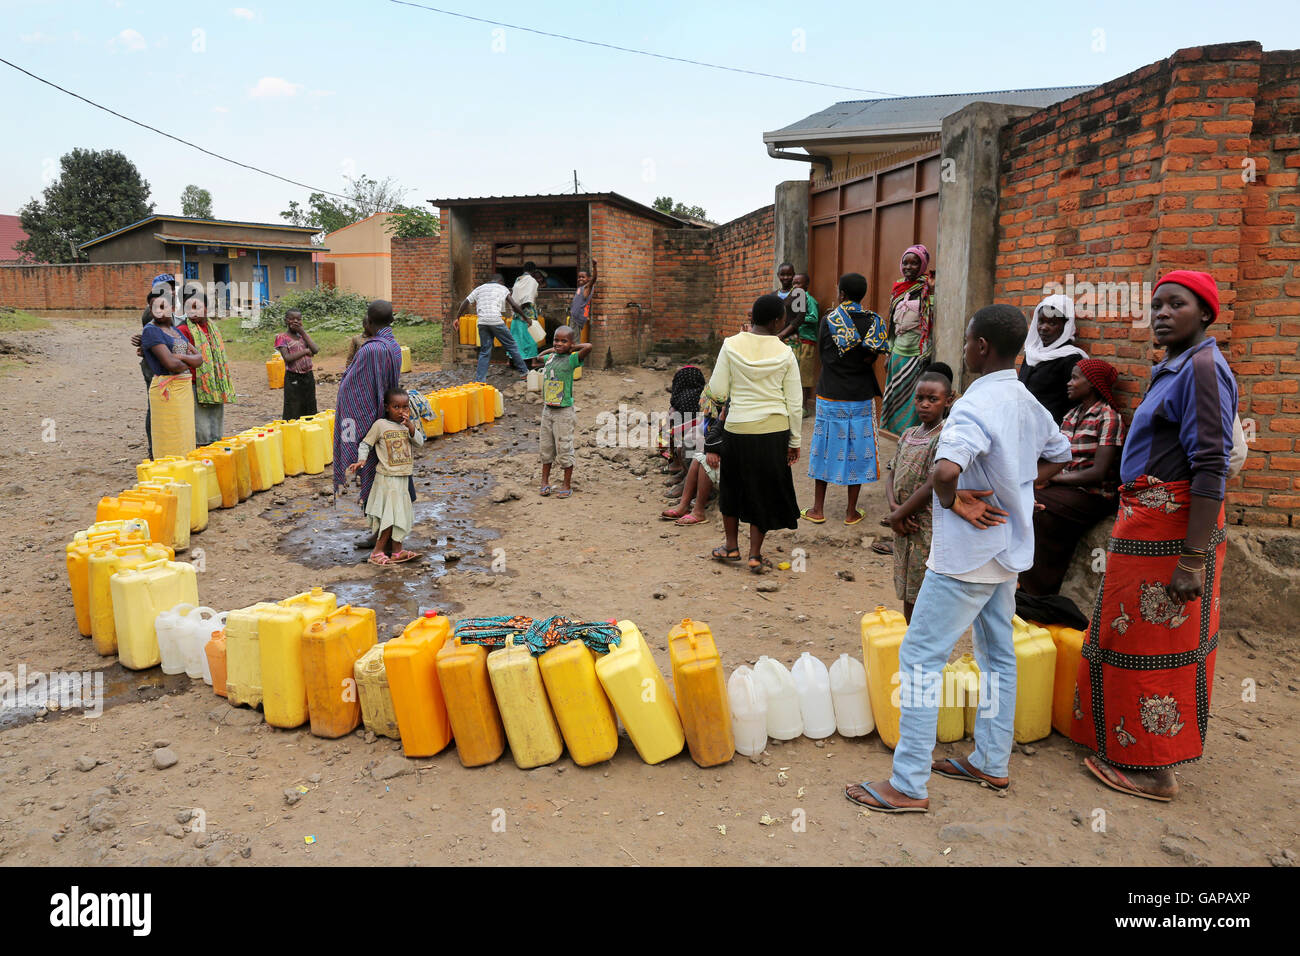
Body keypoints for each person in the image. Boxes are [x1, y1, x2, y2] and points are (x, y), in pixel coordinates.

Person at [846, 304, 1072, 813]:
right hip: (1007, 554)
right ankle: (991, 762)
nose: (965, 347)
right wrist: (1018, 489)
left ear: (981, 348)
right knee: (997, 656)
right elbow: (1060, 454)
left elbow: (945, 473)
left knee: (920, 659)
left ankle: (907, 785)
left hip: (966, 558)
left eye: (968, 340)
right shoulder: (1027, 401)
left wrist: (956, 499)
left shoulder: (971, 406)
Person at [1072, 270, 1237, 803]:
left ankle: (1153, 770)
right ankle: (1121, 743)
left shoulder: (1204, 370)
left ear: (1206, 314)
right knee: (1128, 636)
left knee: (1157, 647)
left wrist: (1191, 560)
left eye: (1176, 304)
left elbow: (1211, 464)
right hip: (1147, 523)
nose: (1162, 313)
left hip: (1173, 532)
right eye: (1157, 304)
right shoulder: (1174, 366)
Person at [703, 293, 802, 573]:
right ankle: (755, 555)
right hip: (774, 430)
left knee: (733, 487)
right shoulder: (785, 352)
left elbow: (719, 391)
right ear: (775, 322)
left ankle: (730, 546)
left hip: (738, 428)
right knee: (764, 490)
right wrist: (794, 441)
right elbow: (794, 402)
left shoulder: (731, 345)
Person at [1019, 358, 1126, 596]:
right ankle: (1020, 578)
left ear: (1093, 384)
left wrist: (1051, 479)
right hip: (1066, 490)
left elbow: (1098, 473)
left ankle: (1037, 590)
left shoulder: (1108, 418)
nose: (1069, 383)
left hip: (1095, 495)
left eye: (1075, 378)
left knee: (1039, 508)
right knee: (1024, 499)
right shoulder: (1071, 415)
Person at [801, 272, 888, 525]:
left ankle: (818, 509)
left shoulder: (830, 319)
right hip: (860, 395)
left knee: (824, 449)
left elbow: (824, 357)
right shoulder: (874, 321)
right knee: (858, 451)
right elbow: (872, 357)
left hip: (830, 394)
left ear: (842, 294)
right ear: (863, 294)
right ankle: (851, 512)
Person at [885, 365, 955, 622]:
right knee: (906, 588)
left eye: (932, 399)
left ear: (949, 400)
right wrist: (894, 508)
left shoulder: (944, 436)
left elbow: (931, 483)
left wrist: (901, 513)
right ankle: (909, 634)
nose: (924, 405)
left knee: (924, 586)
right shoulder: (908, 434)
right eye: (920, 398)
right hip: (903, 523)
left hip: (923, 525)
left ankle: (923, 641)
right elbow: (892, 472)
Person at [334, 300, 407, 547]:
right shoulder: (393, 345)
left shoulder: (371, 349)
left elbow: (355, 386)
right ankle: (380, 534)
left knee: (379, 482)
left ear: (368, 321)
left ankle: (383, 539)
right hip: (387, 420)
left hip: (371, 422)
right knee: (382, 483)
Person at [345, 388, 424, 566]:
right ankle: (377, 551)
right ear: (387, 407)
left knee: (400, 516)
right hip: (387, 479)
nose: (401, 411)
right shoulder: (380, 425)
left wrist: (411, 427)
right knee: (390, 517)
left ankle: (397, 551)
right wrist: (361, 460)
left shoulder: (407, 426)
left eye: (405, 407)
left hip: (403, 478)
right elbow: (366, 443)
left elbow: (419, 443)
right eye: (396, 407)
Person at [140, 290, 203, 457]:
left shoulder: (175, 331)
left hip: (182, 391)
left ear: (173, 307)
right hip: (167, 391)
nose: (159, 311)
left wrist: (180, 357)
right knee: (170, 436)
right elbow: (172, 365)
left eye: (163, 306)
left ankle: (184, 471)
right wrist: (186, 360)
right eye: (155, 307)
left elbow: (199, 359)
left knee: (184, 433)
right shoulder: (151, 331)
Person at [882, 245, 936, 435]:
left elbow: (931, 318)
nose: (909, 267)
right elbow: (891, 326)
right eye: (905, 262)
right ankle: (896, 438)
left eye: (915, 263)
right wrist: (889, 352)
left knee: (913, 401)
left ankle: (909, 438)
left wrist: (931, 292)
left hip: (916, 355)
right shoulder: (897, 287)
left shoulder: (927, 287)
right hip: (898, 353)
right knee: (896, 398)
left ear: (922, 265)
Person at [534, 325, 592, 499]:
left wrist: (571, 349)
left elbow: (588, 347)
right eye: (556, 340)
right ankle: (545, 481)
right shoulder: (551, 357)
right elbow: (539, 356)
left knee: (564, 448)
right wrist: (556, 348)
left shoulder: (572, 360)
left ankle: (566, 484)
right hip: (547, 411)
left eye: (563, 341)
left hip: (563, 412)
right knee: (546, 448)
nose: (558, 343)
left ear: (572, 344)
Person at [176, 285, 234, 446]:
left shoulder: (212, 328)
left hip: (215, 382)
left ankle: (216, 446)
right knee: (200, 421)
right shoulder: (182, 330)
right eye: (189, 308)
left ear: (207, 308)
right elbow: (178, 357)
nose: (193, 312)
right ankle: (203, 448)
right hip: (195, 383)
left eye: (197, 307)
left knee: (215, 417)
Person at [1019, 293, 1087, 424]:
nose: (1044, 328)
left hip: (1050, 431)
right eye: (1041, 321)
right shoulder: (1032, 353)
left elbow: (1074, 403)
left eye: (1052, 323)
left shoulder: (1071, 359)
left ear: (1065, 326)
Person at [450, 273, 530, 381]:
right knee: (511, 346)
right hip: (496, 321)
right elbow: (514, 305)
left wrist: (457, 318)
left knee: (485, 351)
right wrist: (526, 318)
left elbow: (465, 302)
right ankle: (524, 372)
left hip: (482, 322)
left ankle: (480, 380)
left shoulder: (479, 289)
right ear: (501, 281)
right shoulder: (502, 288)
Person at [660, 403, 723, 526]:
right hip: (713, 440)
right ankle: (684, 505)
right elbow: (710, 426)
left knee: (705, 460)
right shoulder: (717, 414)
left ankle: (698, 510)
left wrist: (712, 447)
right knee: (696, 456)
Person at [778, 273, 820, 415]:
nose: (795, 286)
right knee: (792, 373)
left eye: (799, 284)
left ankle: (805, 407)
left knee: (804, 374)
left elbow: (814, 318)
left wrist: (798, 319)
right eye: (794, 284)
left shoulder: (809, 300)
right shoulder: (793, 299)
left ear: (806, 285)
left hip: (807, 340)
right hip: (794, 341)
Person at [275, 309, 320, 420]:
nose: (295, 321)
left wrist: (303, 332)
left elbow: (315, 349)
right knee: (293, 406)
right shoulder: (282, 337)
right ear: (286, 321)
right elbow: (287, 358)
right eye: (292, 319)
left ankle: (308, 431)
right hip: (293, 377)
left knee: (310, 404)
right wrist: (305, 351)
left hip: (308, 376)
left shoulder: (303, 336)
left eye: (298, 319)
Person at [510, 261, 543, 366]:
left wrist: (516, 309)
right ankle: (533, 362)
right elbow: (528, 298)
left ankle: (510, 360)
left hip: (516, 314)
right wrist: (522, 310)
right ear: (533, 271)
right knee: (531, 337)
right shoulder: (532, 281)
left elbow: (514, 295)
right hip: (527, 314)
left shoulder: (518, 279)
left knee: (515, 338)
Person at [569, 259, 598, 339]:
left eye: (583, 277)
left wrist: (594, 266)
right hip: (573, 317)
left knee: (574, 340)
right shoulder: (580, 288)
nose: (580, 279)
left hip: (578, 319)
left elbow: (594, 279)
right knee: (571, 339)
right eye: (579, 277)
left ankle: (576, 351)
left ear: (588, 279)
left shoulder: (587, 288)